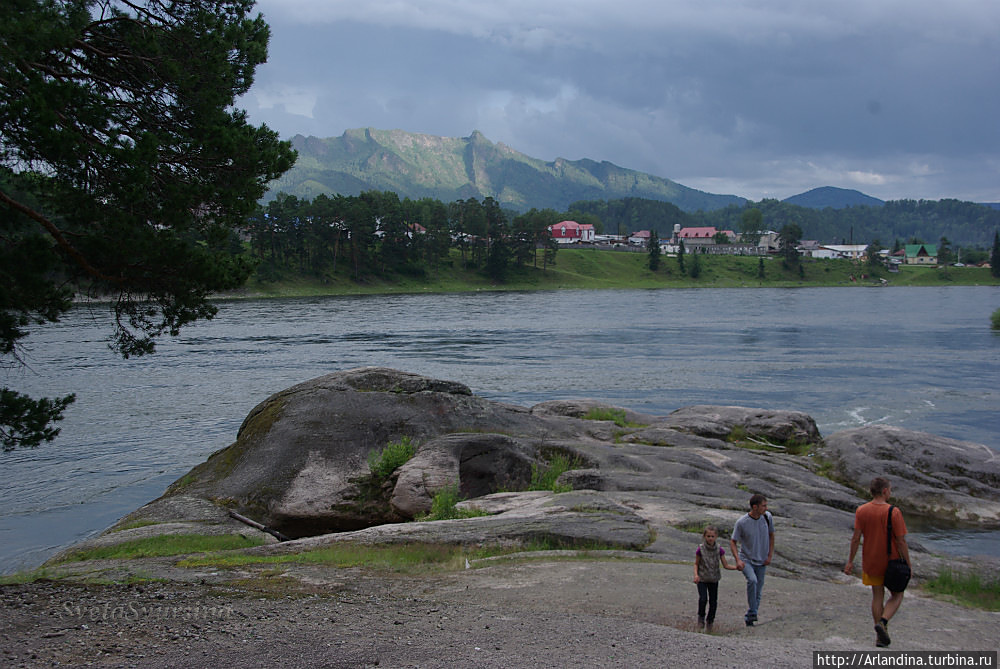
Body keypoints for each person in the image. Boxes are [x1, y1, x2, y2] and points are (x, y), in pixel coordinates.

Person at [844, 477, 912, 648]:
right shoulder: (893, 512)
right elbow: (901, 540)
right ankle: (883, 621)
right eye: (889, 489)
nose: (890, 492)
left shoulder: (862, 510)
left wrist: (850, 561)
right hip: (892, 562)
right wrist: (908, 563)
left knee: (877, 596)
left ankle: (880, 637)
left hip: (871, 560)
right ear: (884, 491)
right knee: (897, 595)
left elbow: (855, 538)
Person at [730, 494, 775, 627]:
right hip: (747, 559)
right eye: (763, 506)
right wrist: (737, 560)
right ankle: (753, 612)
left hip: (762, 559)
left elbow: (772, 536)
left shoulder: (767, 517)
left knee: (758, 590)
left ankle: (750, 616)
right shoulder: (742, 522)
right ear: (755, 507)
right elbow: (733, 541)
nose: (766, 508)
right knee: (752, 580)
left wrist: (770, 556)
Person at [693, 525, 737, 631]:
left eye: (712, 536)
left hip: (714, 579)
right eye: (708, 536)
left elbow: (725, 565)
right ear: (704, 536)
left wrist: (736, 567)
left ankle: (710, 621)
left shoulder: (719, 549)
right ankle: (701, 618)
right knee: (703, 599)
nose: (710, 538)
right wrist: (696, 575)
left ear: (716, 537)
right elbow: (696, 564)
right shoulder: (700, 549)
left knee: (713, 602)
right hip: (702, 579)